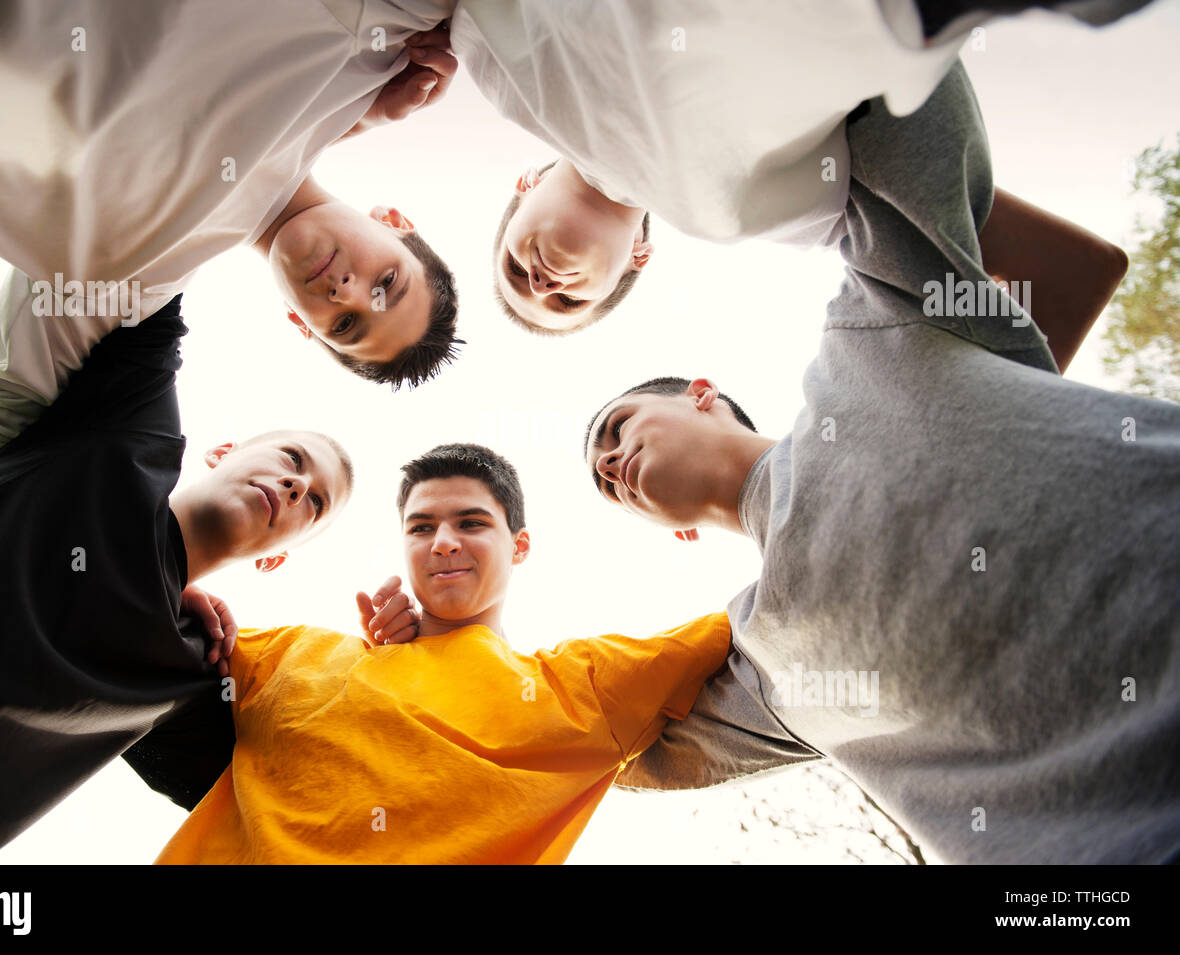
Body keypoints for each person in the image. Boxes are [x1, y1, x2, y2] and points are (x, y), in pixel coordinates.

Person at [580, 62, 1180, 863]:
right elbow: (590, 748)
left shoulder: (875, 344)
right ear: (674, 534)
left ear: (701, 393)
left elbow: (898, 104)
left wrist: (614, 149)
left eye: (616, 428)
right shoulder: (757, 668)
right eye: (603, 478)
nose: (614, 461)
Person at [0, 2, 462, 467]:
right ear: (394, 222)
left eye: (346, 325)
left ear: (300, 327)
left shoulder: (140, 281)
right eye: (386, 282)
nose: (347, 293)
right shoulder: (368, 63)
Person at [0, 295, 354, 863]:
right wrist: (4, 388)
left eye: (316, 504)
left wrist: (427, 634)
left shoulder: (193, 671)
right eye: (292, 458)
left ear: (276, 559)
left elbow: (306, 804)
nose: (295, 486)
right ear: (223, 451)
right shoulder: (130, 431)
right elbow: (145, 265)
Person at [156, 443, 731, 864]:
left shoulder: (583, 688)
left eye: (472, 523)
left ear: (520, 546)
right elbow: (124, 621)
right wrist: (181, 583)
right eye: (421, 527)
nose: (444, 542)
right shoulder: (293, 653)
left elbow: (779, 618)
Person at [453, 0, 1151, 334]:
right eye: (565, 301)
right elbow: (1071, 270)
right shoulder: (742, 219)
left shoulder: (498, 67)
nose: (542, 283)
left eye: (515, 271)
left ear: (523, 188)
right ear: (637, 256)